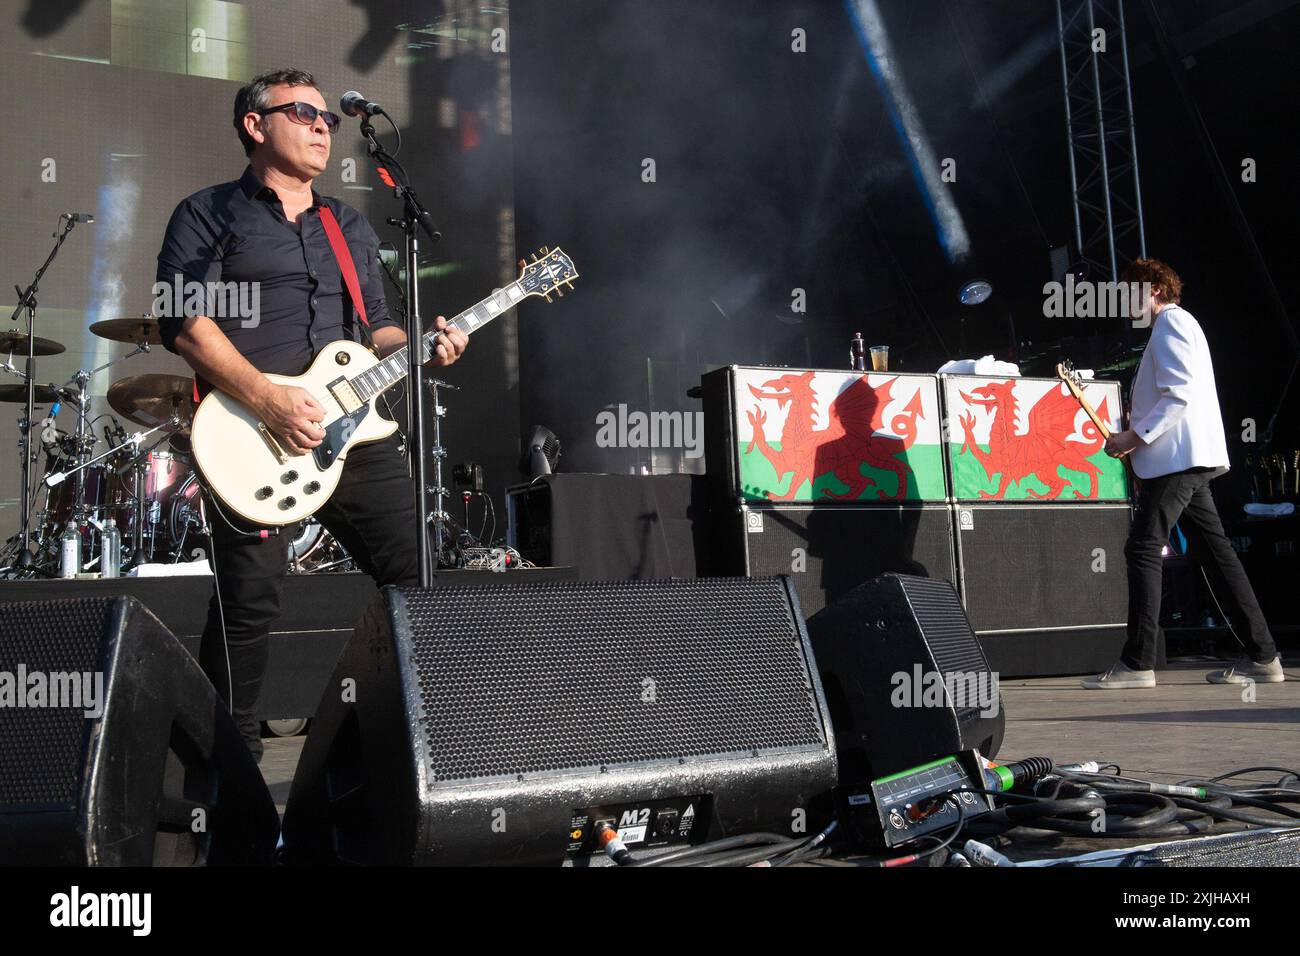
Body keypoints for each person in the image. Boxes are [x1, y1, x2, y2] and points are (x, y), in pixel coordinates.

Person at [155, 68, 469, 758]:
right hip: (253, 433)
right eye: (302, 112)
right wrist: (267, 398)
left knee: (417, 581)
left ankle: (400, 754)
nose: (322, 124)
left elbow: (376, 328)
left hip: (355, 432)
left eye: (326, 115)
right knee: (247, 608)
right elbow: (184, 322)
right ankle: (230, 786)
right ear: (255, 124)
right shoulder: (208, 213)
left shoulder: (347, 224)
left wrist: (424, 347)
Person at [1081, 258, 1283, 689]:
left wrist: (1134, 436)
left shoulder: (1172, 324)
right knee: (1217, 552)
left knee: (1142, 548)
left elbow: (1180, 395)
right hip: (1185, 459)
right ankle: (1263, 656)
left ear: (1154, 288)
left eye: (1128, 292)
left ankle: (1138, 664)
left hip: (1178, 460)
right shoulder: (1171, 327)